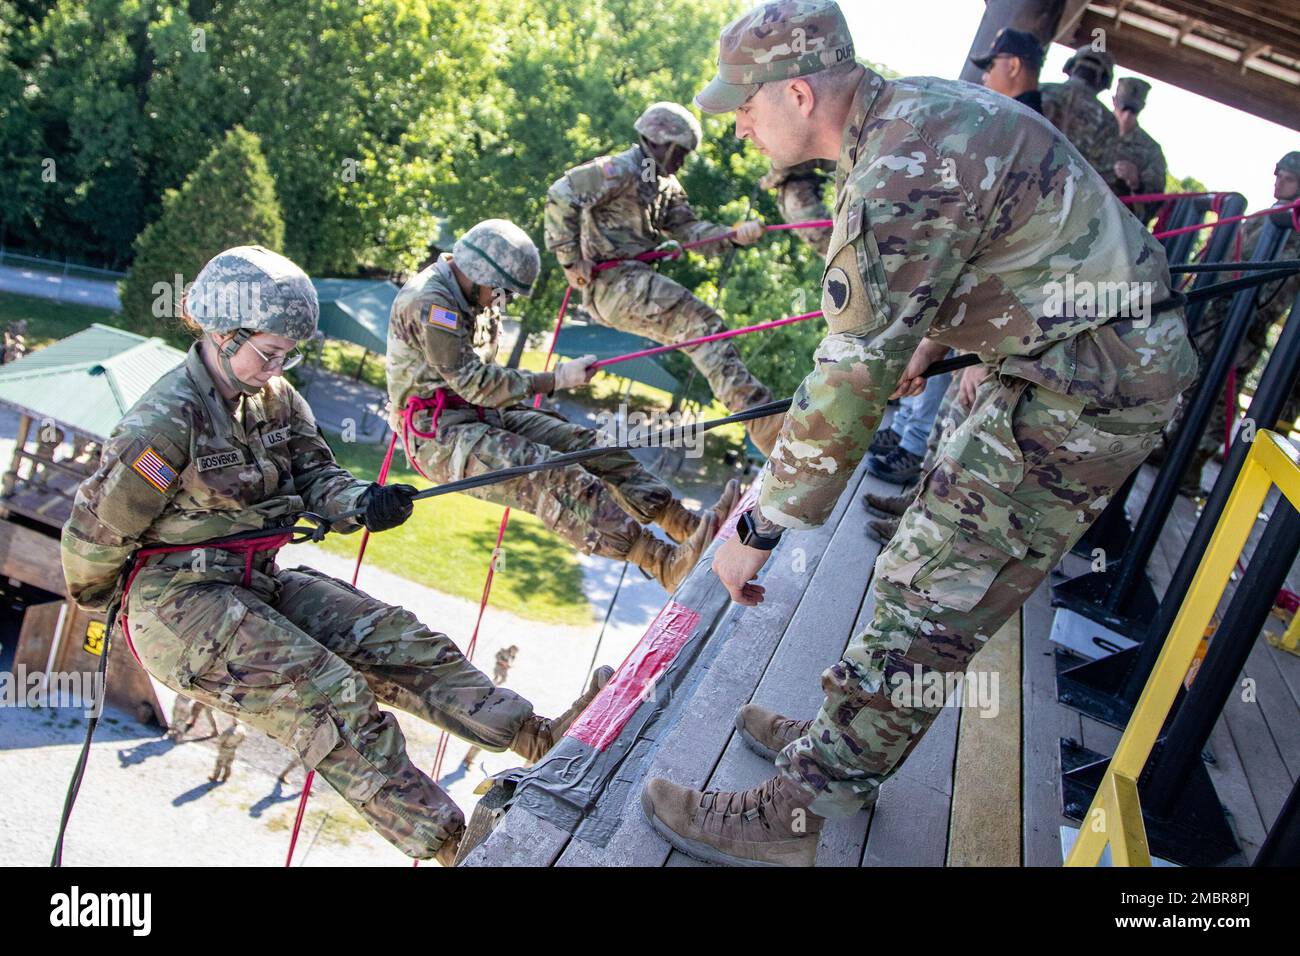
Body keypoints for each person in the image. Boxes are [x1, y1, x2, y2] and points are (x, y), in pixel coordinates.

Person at [639, 0, 1196, 866]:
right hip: (1070, 359)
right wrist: (940, 336)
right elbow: (995, 239)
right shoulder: (911, 117)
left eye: (743, 104)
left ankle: (798, 808)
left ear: (795, 94)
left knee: (933, 590)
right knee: (926, 574)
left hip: (1087, 387)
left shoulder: (898, 165)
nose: (737, 123)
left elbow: (851, 373)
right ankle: (843, 750)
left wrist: (759, 524)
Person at [61, 245, 611, 866]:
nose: (277, 368)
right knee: (329, 695)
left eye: (287, 355)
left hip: (255, 580)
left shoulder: (275, 400)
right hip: (176, 605)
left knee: (397, 639)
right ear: (221, 332)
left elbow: (317, 477)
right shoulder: (162, 427)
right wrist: (111, 608)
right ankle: (455, 846)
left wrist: (361, 503)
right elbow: (95, 539)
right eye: (268, 352)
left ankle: (540, 739)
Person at [386, 219, 737, 594]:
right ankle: (662, 562)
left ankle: (684, 524)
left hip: (479, 412)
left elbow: (482, 383)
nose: (503, 302)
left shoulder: (473, 291)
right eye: (502, 292)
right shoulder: (431, 303)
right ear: (477, 273)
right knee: (551, 474)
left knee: (591, 447)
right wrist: (557, 379)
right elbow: (476, 382)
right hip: (439, 434)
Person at [545, 103, 782, 454]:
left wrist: (732, 235)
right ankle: (763, 422)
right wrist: (570, 262)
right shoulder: (621, 169)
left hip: (629, 284)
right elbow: (561, 194)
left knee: (702, 331)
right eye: (680, 153)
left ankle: (762, 420)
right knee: (703, 326)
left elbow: (689, 230)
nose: (683, 162)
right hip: (614, 284)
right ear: (659, 142)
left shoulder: (662, 185)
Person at [1172, 152, 1300, 496]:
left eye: (1287, 177)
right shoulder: (1270, 215)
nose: (1278, 182)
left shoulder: (1292, 226)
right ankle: (1174, 449)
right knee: (1193, 383)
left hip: (1244, 323)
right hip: (1221, 313)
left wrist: (1247, 306)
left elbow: (1277, 286)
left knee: (1218, 398)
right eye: (1277, 174)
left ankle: (1191, 465)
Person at [1040, 45, 1121, 184]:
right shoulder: (1108, 120)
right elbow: (1103, 176)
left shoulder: (1039, 90)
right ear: (1104, 81)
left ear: (1070, 67)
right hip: (1065, 195)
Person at [1112, 78, 1168, 224]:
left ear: (1142, 107)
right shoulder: (1090, 125)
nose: (1127, 115)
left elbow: (1151, 210)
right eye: (1124, 107)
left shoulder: (1151, 151)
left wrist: (1136, 183)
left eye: (1133, 110)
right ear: (1114, 101)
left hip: (1114, 225)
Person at [759, 159, 835, 255]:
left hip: (805, 207)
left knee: (832, 241)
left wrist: (768, 181)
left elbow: (782, 163)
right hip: (805, 217)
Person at [971, 27, 1044, 114]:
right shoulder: (1034, 120)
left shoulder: (1007, 121)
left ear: (1013, 67)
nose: (984, 76)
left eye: (989, 66)